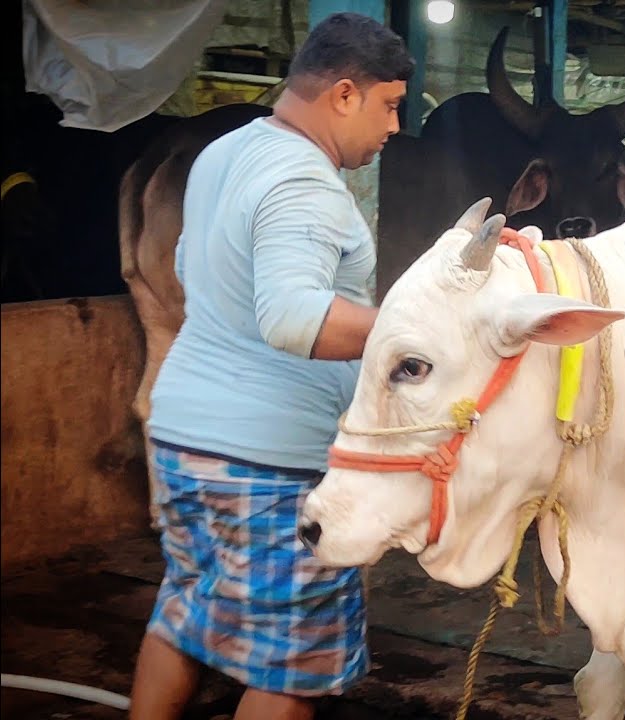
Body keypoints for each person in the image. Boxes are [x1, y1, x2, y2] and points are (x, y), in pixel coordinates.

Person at [126, 12, 412, 720]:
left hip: (184, 438)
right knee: (292, 662)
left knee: (186, 617)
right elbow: (294, 317)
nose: (395, 127)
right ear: (343, 94)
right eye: (389, 106)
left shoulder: (224, 153)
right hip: (267, 465)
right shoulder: (304, 182)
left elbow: (193, 271)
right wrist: (419, 331)